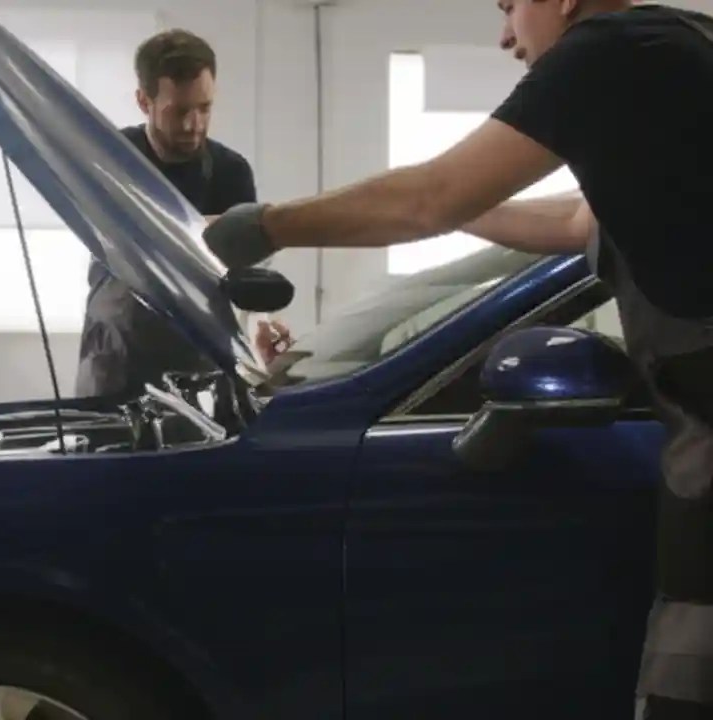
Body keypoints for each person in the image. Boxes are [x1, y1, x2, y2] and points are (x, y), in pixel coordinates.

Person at [205, 1, 713, 716]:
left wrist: (267, 225)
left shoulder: (611, 49)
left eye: (509, 5)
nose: (506, 35)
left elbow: (431, 199)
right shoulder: (678, 40)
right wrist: (448, 196)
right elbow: (574, 220)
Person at [75, 29, 288, 400]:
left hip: (200, 359)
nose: (194, 125)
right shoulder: (108, 160)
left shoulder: (231, 172)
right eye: (179, 111)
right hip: (116, 353)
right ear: (144, 101)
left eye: (204, 108)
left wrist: (262, 324)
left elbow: (244, 278)